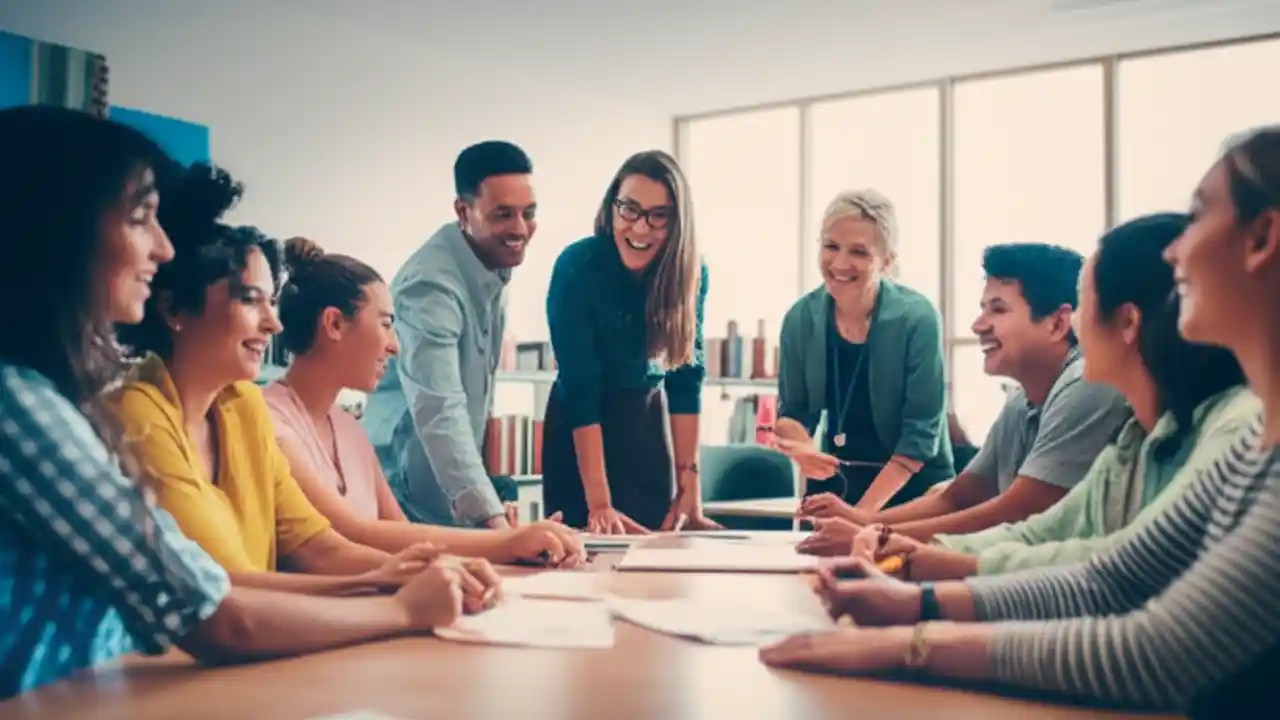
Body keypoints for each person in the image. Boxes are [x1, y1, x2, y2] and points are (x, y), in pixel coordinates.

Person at [757, 126, 1280, 716]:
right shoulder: (1226, 443)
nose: (1177, 252)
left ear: (1262, 238)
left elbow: (1158, 651)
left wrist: (911, 638)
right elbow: (1106, 576)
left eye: (1199, 214)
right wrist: (918, 601)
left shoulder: (1238, 430)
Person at [0, 106, 486, 699]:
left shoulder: (233, 406)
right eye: (139, 219)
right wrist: (402, 608)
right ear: (56, 230)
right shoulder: (25, 408)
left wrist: (388, 583)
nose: (162, 247)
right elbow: (214, 611)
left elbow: (217, 582)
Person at [113, 163, 500, 598]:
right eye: (250, 300)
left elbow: (317, 546)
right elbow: (224, 598)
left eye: (272, 303)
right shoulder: (136, 418)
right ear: (172, 311)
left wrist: (434, 570)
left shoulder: (242, 405)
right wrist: (404, 597)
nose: (272, 324)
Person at [850, 213, 1259, 580]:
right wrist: (904, 547)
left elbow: (1120, 569)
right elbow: (1046, 537)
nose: (977, 325)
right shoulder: (1134, 443)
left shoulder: (1235, 429)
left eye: (1084, 305)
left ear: (1127, 321)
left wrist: (923, 596)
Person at [264, 236, 584, 566]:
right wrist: (504, 542)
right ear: (333, 324)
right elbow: (349, 533)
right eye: (386, 324)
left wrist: (514, 550)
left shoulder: (348, 428)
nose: (394, 346)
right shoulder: (270, 421)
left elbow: (399, 535)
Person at [796, 242, 1131, 554]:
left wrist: (874, 538)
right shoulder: (1020, 402)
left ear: (1058, 323)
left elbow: (1015, 513)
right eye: (982, 309)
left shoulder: (1086, 383)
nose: (977, 325)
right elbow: (960, 497)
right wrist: (862, 521)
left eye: (998, 310)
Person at [542, 150, 721, 534]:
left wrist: (690, 491)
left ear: (677, 223)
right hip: (580, 429)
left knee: (655, 559)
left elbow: (686, 379)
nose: (641, 229)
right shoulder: (577, 267)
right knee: (587, 557)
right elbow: (580, 387)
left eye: (659, 216)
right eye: (630, 210)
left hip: (644, 428)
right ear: (611, 209)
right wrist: (600, 504)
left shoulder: (691, 273)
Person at [363, 141, 535, 529]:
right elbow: (441, 410)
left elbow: (477, 399)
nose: (520, 229)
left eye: (529, 213)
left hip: (445, 492)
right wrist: (496, 525)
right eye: (504, 214)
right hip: (404, 496)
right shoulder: (430, 286)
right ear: (463, 211)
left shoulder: (490, 262)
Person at [773, 189, 953, 511]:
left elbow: (919, 439)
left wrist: (860, 518)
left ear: (887, 262)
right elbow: (792, 413)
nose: (840, 263)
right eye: (831, 246)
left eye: (859, 252)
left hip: (916, 492)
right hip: (838, 488)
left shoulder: (918, 318)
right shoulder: (801, 319)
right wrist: (802, 449)